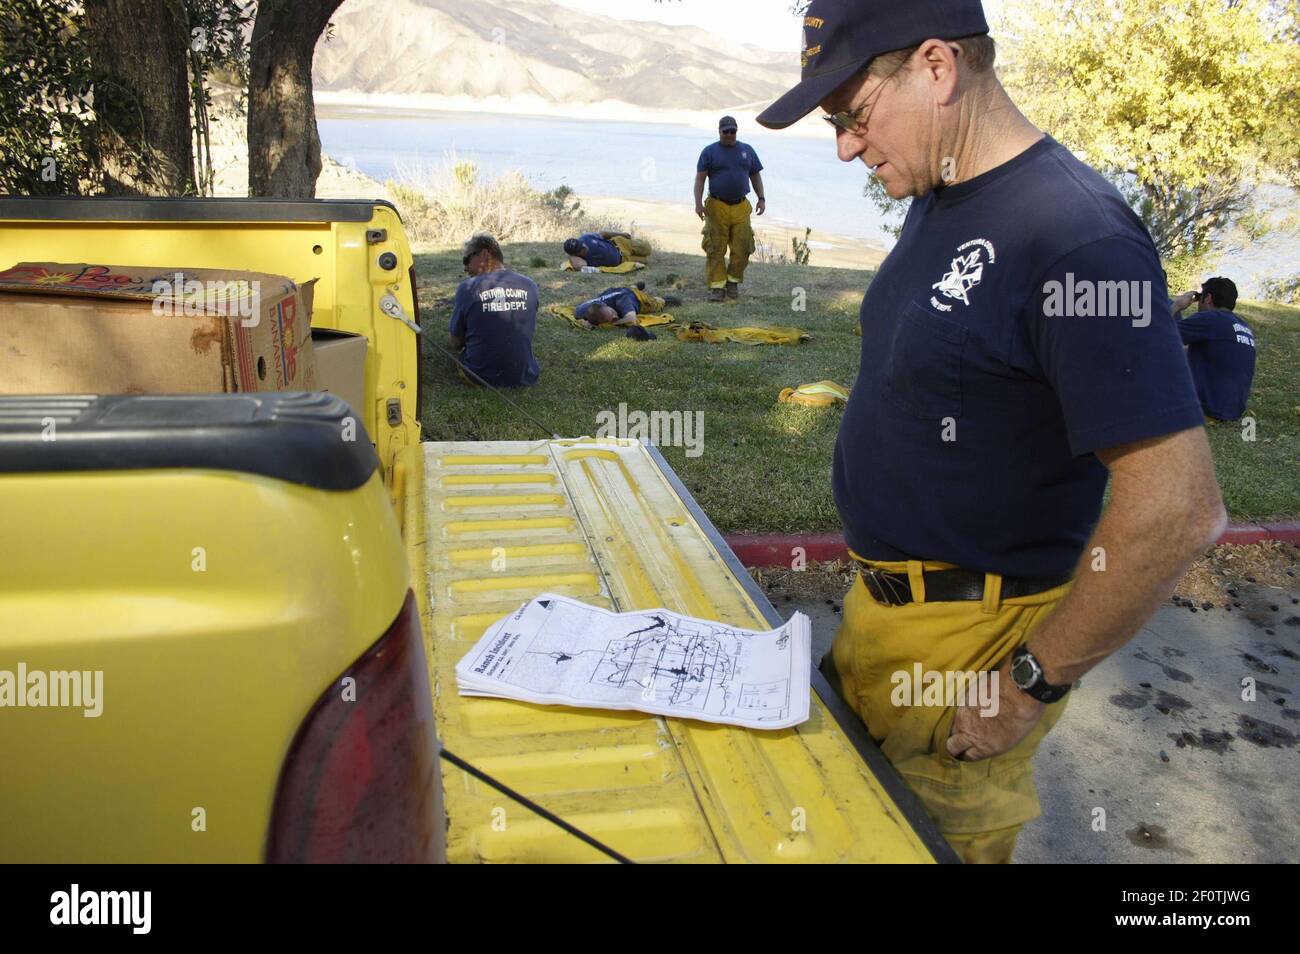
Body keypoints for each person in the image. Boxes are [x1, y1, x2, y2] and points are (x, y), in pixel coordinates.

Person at [757, 0, 1225, 863]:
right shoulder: (944, 192)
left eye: (853, 117)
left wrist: (1029, 685)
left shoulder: (1076, 240)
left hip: (969, 651)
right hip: (881, 618)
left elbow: (1179, 508)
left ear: (937, 67)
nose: (846, 148)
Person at [448, 233, 541, 387]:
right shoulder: (530, 285)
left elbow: (456, 342)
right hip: (525, 376)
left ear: (485, 254)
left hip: (478, 376)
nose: (465, 268)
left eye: (467, 260)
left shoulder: (467, 288)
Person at [694, 116, 766, 301]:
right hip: (717, 206)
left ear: (736, 131)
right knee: (715, 247)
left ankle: (733, 282)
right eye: (726, 131)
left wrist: (761, 198)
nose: (729, 135)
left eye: (733, 131)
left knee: (743, 246)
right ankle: (718, 287)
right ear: (719, 132)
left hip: (741, 206)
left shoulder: (747, 150)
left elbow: (755, 175)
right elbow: (700, 178)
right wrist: (698, 203)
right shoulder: (709, 152)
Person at [1170, 277, 1256, 421]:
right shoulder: (1243, 326)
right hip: (1232, 411)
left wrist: (1176, 305)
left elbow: (1158, 335)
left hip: (1206, 409)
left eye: (1199, 297)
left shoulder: (1210, 319)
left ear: (1208, 298)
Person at [574, 284, 680, 329]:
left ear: (606, 305)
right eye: (609, 318)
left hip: (634, 297)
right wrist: (587, 322)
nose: (614, 316)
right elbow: (576, 314)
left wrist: (614, 322)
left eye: (612, 313)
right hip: (616, 290)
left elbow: (631, 319)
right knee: (626, 289)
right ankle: (634, 286)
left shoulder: (622, 301)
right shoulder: (581, 311)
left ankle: (664, 300)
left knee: (655, 304)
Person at [563, 231, 651, 269]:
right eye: (581, 249)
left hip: (621, 244)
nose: (584, 247)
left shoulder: (585, 238)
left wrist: (622, 234)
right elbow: (580, 266)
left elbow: (604, 234)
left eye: (582, 244)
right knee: (646, 261)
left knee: (648, 249)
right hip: (624, 260)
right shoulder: (581, 261)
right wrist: (571, 256)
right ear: (576, 254)